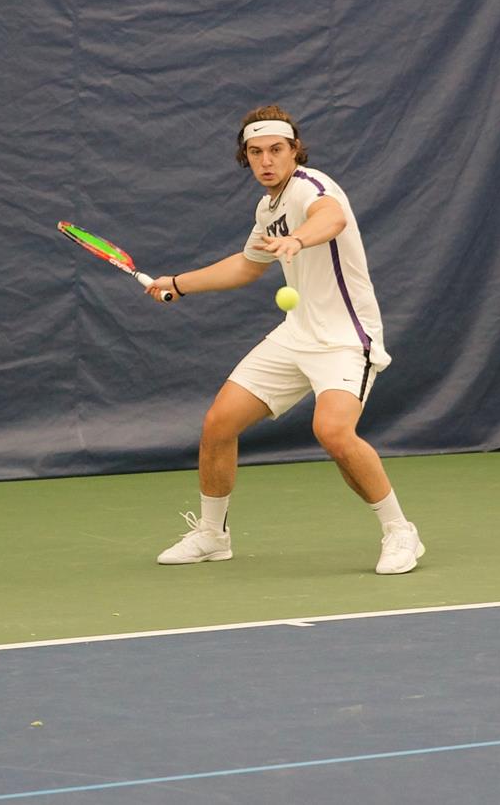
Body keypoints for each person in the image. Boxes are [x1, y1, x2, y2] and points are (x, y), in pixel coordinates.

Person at [144, 106, 424, 575]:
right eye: (255, 152)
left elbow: (330, 218)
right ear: (246, 157)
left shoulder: (312, 187)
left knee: (333, 431)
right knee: (219, 423)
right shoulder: (267, 207)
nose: (266, 160)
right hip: (296, 336)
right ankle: (213, 535)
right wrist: (178, 281)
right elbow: (248, 266)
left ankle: (400, 531)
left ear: (295, 151)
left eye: (276, 150)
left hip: (344, 339)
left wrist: (298, 239)